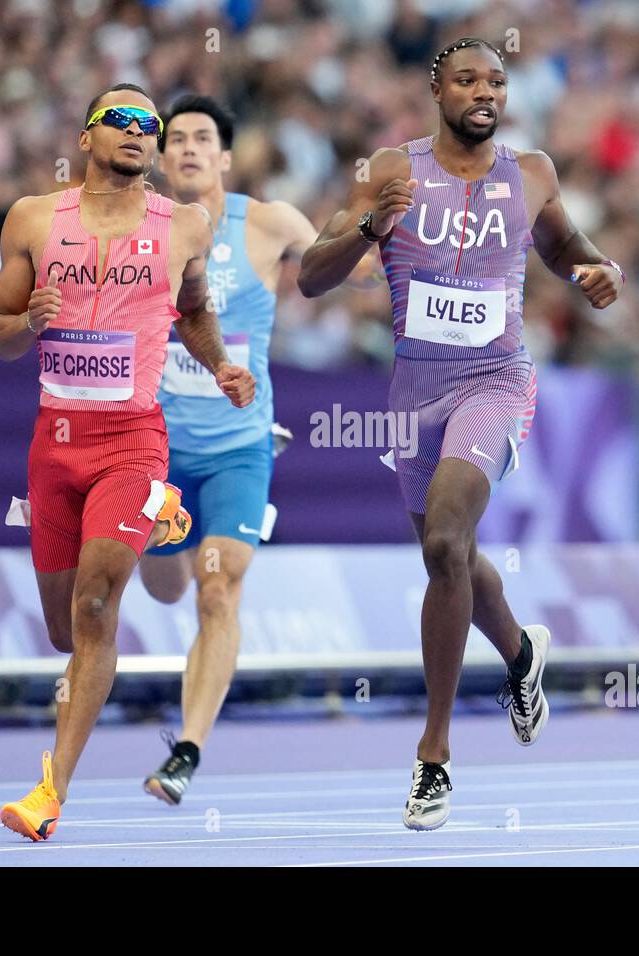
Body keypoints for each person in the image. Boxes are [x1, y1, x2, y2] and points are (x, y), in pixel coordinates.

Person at [297, 38, 625, 830]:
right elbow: (311, 275)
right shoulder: (391, 169)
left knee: (447, 541)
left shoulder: (533, 171)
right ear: (436, 89)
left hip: (496, 381)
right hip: (415, 390)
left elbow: (559, 245)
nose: (486, 92)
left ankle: (433, 758)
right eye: (469, 80)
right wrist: (371, 228)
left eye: (498, 81)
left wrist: (594, 266)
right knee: (452, 558)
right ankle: (519, 654)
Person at [0, 83, 255, 841]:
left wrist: (222, 364)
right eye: (124, 121)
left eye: (152, 126)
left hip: (134, 442)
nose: (141, 134)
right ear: (86, 137)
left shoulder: (185, 226)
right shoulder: (34, 218)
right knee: (65, 633)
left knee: (99, 608)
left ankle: (50, 792)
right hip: (55, 445)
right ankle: (162, 516)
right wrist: (24, 321)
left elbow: (194, 309)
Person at [139, 94, 377, 804]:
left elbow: (349, 269)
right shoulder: (141, 229)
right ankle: (168, 550)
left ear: (224, 157)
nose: (185, 148)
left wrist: (372, 229)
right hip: (154, 451)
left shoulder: (269, 223)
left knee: (218, 588)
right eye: (174, 139)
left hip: (240, 449)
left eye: (200, 138)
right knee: (166, 583)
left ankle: (186, 750)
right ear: (158, 158)